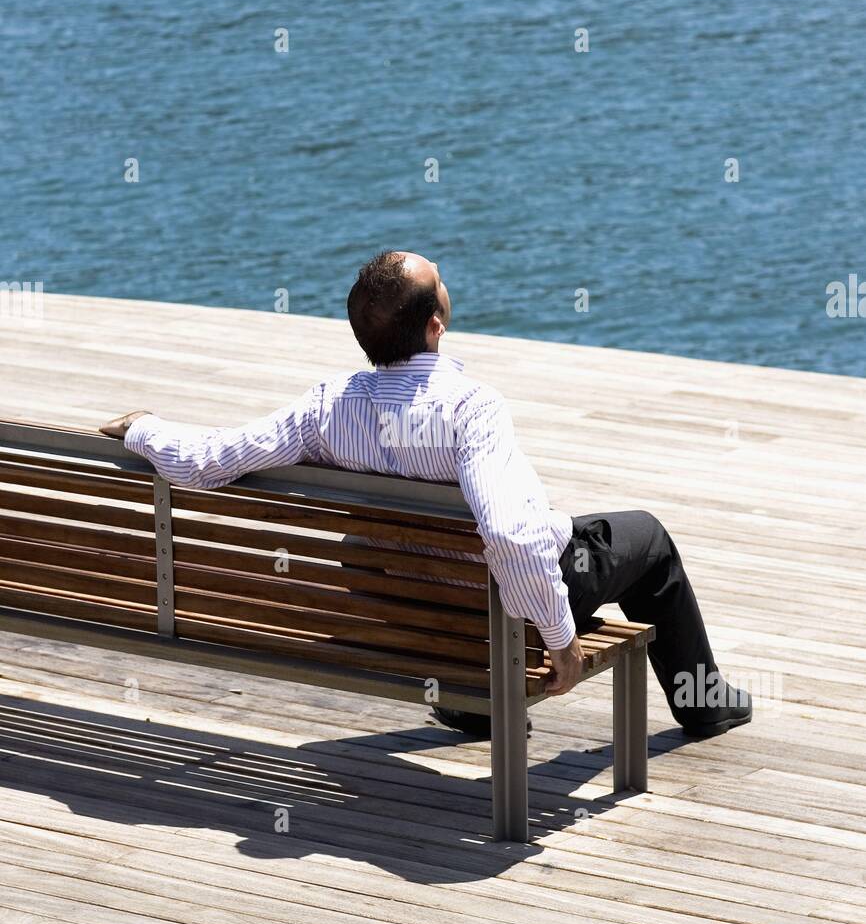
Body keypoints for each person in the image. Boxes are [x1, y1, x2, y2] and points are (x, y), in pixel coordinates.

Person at [101, 250, 752, 738]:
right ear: (436, 324)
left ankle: (473, 701)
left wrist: (144, 429)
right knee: (647, 541)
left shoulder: (329, 408)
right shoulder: (472, 408)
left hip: (415, 598)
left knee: (449, 562)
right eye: (442, 281)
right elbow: (508, 534)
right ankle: (703, 704)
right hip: (501, 600)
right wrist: (560, 641)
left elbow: (212, 459)